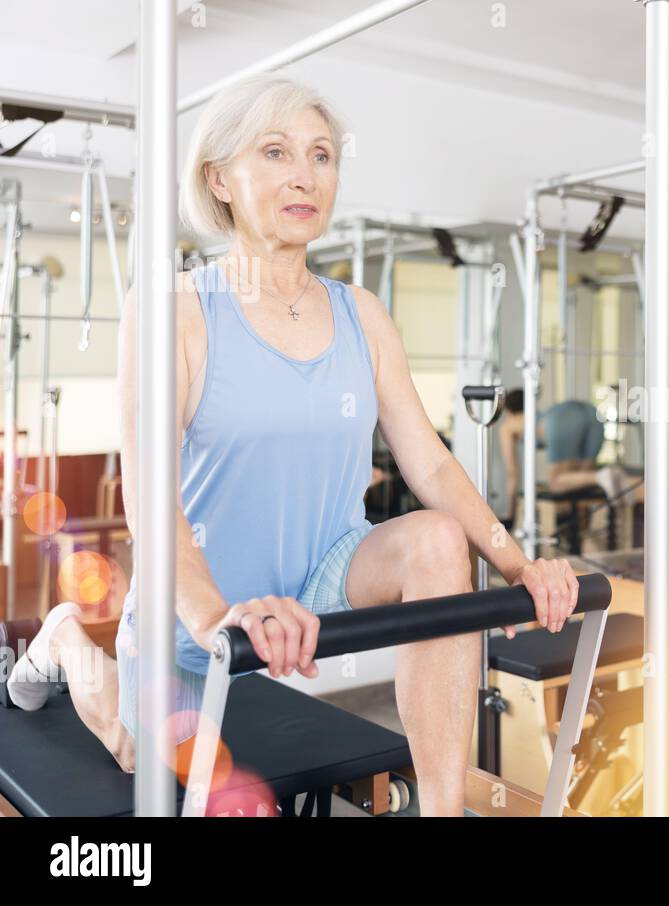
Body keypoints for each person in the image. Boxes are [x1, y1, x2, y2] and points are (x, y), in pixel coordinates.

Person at [4, 75, 579, 817]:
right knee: (135, 747)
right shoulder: (174, 307)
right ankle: (65, 642)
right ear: (219, 178)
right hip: (195, 608)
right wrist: (216, 621)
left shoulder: (361, 314)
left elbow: (429, 460)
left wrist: (515, 560)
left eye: (321, 155)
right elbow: (149, 487)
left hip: (322, 574)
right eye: (275, 153)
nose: (305, 175)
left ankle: (441, 811)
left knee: (438, 542)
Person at [499, 391, 631, 525]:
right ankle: (604, 478)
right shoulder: (540, 414)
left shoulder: (508, 426)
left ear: (508, 411)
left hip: (562, 419)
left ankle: (601, 476)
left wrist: (511, 516)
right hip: (592, 414)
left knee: (556, 483)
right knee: (579, 486)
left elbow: (512, 473)